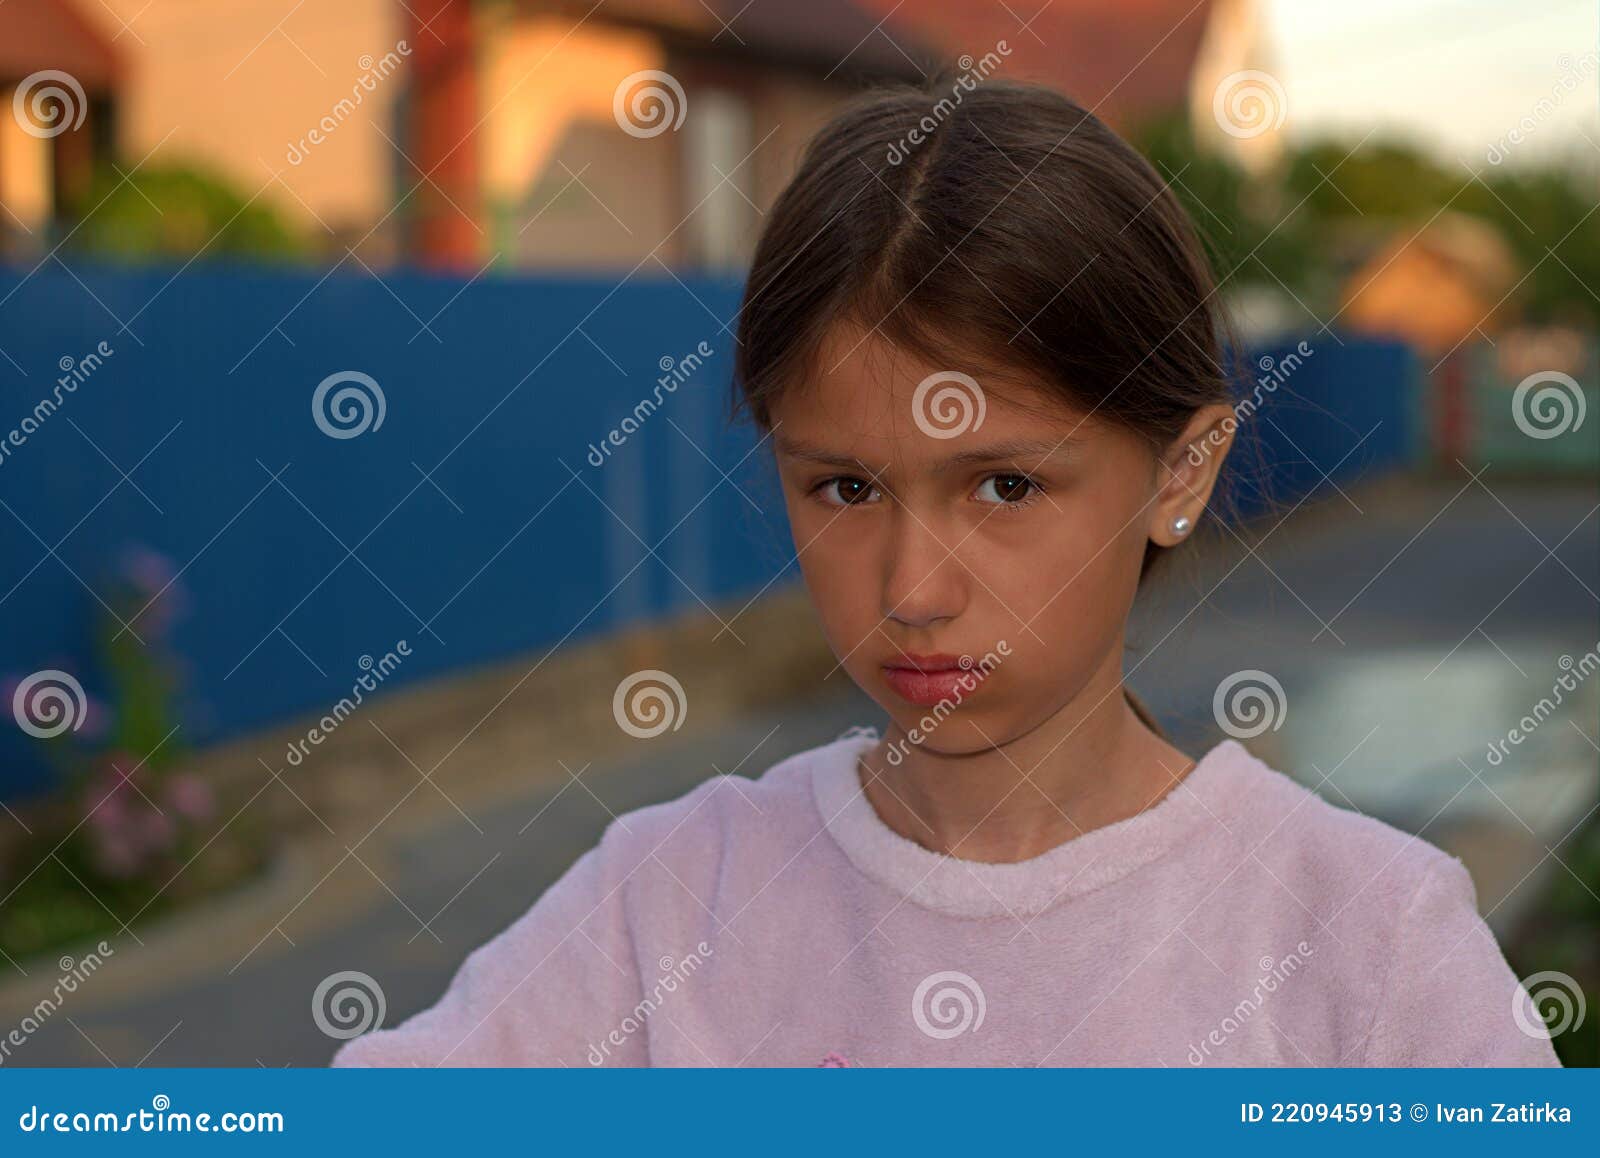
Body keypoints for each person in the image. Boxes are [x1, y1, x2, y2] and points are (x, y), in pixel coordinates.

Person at [332, 79, 1556, 1068]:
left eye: (1005, 487)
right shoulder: (668, 910)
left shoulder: (1365, 944)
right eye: (846, 488)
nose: (913, 587)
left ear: (1179, 475)